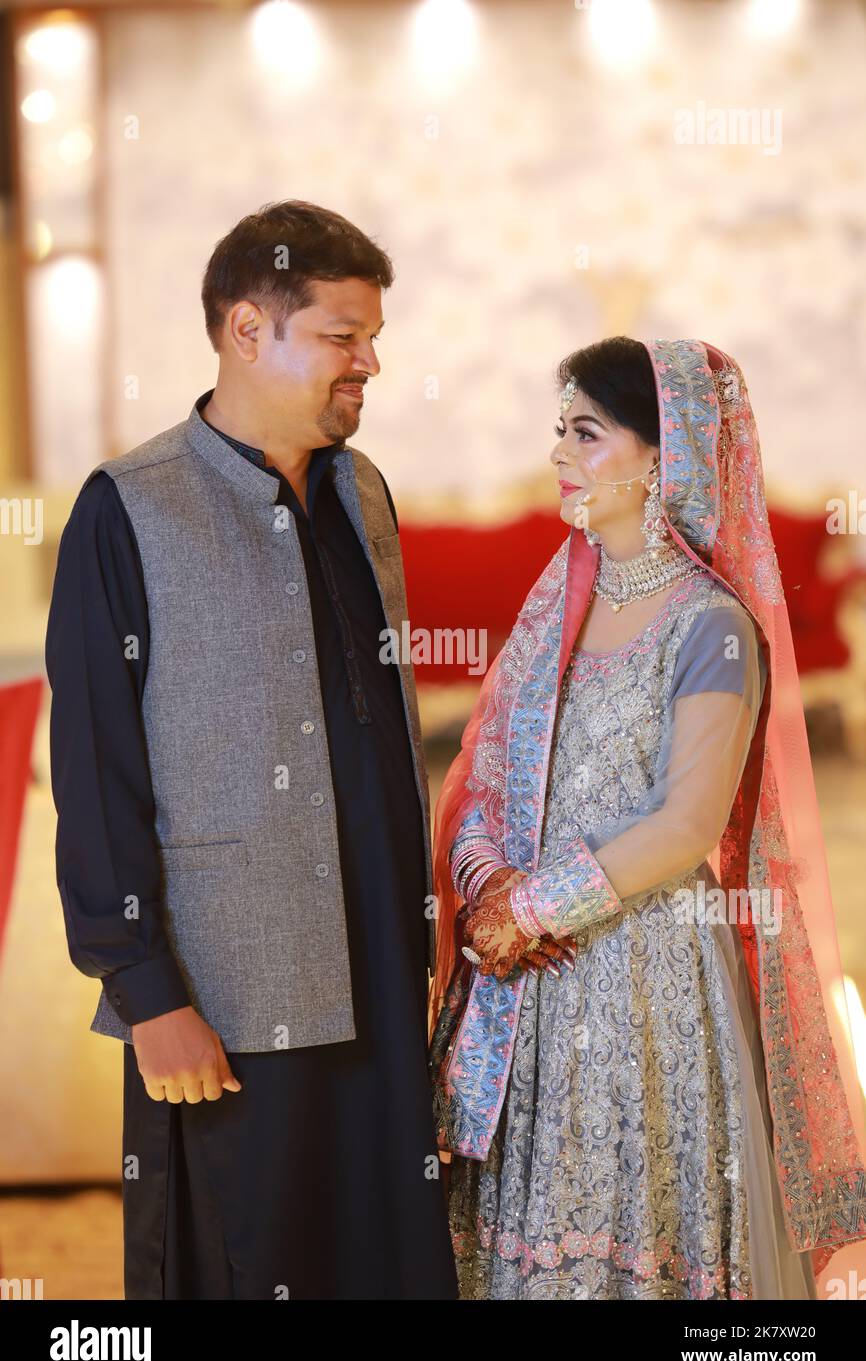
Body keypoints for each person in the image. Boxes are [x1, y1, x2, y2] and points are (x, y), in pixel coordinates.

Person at [46, 199, 457, 1300]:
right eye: (341, 336)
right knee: (237, 1265)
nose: (368, 361)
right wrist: (145, 991)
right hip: (228, 995)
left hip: (380, 971)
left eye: (371, 337)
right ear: (245, 329)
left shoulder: (361, 492)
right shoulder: (129, 508)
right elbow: (94, 773)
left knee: (386, 1261)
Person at [429, 335, 866, 1300]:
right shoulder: (557, 608)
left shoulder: (709, 624)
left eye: (586, 433)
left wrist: (531, 911)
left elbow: (685, 824)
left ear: (664, 457)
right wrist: (483, 884)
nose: (559, 455)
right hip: (524, 983)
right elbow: (489, 775)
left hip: (643, 978)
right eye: (561, 432)